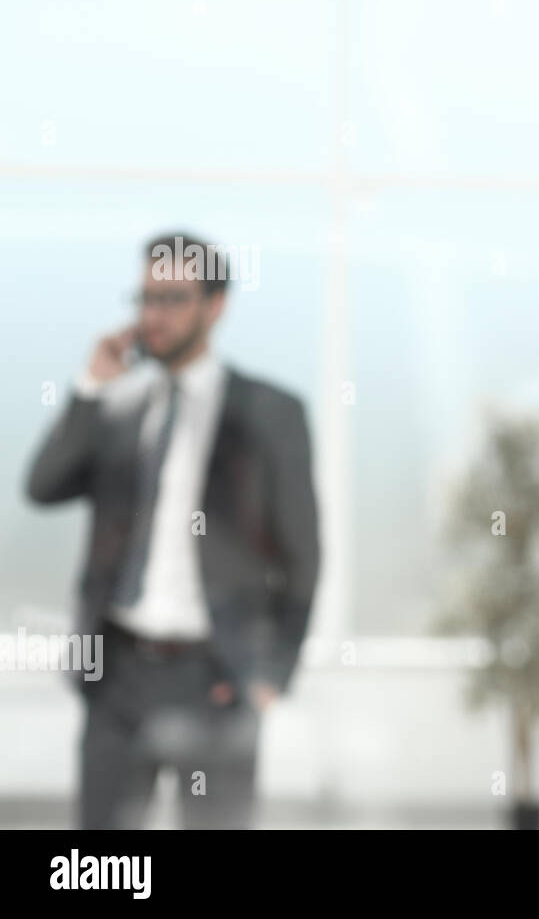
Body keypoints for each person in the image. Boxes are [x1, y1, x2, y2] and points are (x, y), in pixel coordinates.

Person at [25, 232, 320, 829]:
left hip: (216, 674)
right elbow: (44, 487)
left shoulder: (269, 413)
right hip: (117, 672)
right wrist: (89, 387)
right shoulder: (120, 407)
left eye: (172, 298)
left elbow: (304, 555)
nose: (152, 315)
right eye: (145, 298)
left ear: (216, 305)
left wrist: (272, 673)